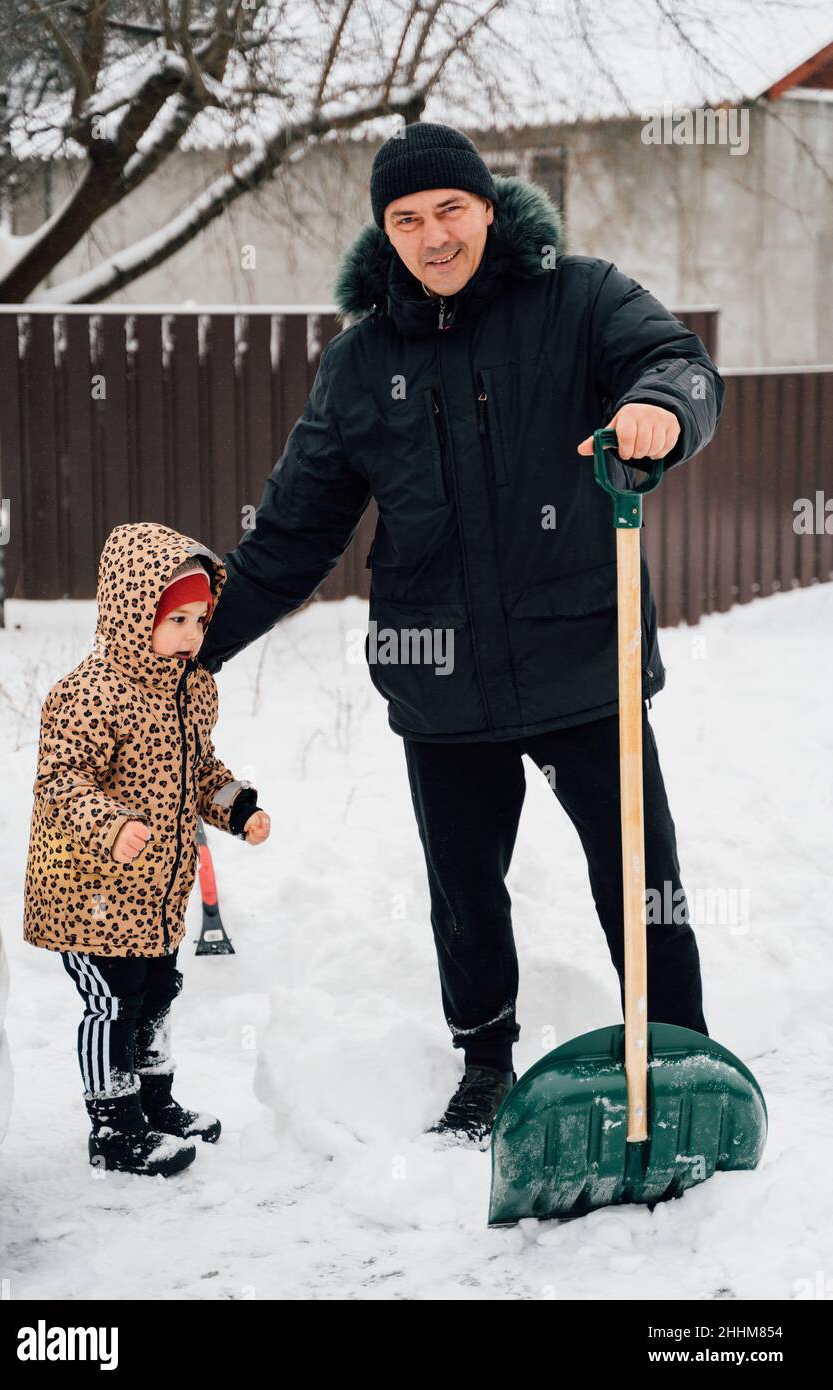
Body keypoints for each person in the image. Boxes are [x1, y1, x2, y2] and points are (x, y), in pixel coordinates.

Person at [198, 122, 725, 1145]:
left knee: (638, 881)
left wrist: (659, 406)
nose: (431, 235)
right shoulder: (359, 363)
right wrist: (201, 646)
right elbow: (295, 530)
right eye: (406, 218)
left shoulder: (575, 299)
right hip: (436, 677)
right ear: (383, 233)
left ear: (488, 207)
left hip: (582, 658)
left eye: (448, 210)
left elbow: (678, 364)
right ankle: (484, 1059)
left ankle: (678, 1049)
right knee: (463, 897)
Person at [22, 522, 270, 1175]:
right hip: (87, 893)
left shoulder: (190, 689)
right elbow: (60, 782)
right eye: (177, 619)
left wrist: (237, 807)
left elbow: (202, 772)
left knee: (158, 990)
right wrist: (111, 824)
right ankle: (113, 1127)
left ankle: (154, 1102)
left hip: (154, 895)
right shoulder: (89, 693)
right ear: (134, 614)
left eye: (200, 619)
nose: (193, 634)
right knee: (113, 1002)